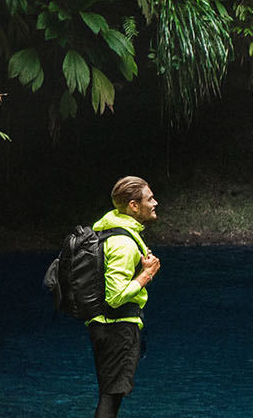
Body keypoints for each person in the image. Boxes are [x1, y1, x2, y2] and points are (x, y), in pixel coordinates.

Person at [88, 176, 162, 418]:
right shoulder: (123, 242)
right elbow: (116, 296)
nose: (155, 203)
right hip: (117, 327)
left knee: (110, 394)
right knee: (111, 398)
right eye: (149, 198)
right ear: (133, 205)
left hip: (105, 325)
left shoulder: (111, 229)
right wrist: (146, 275)